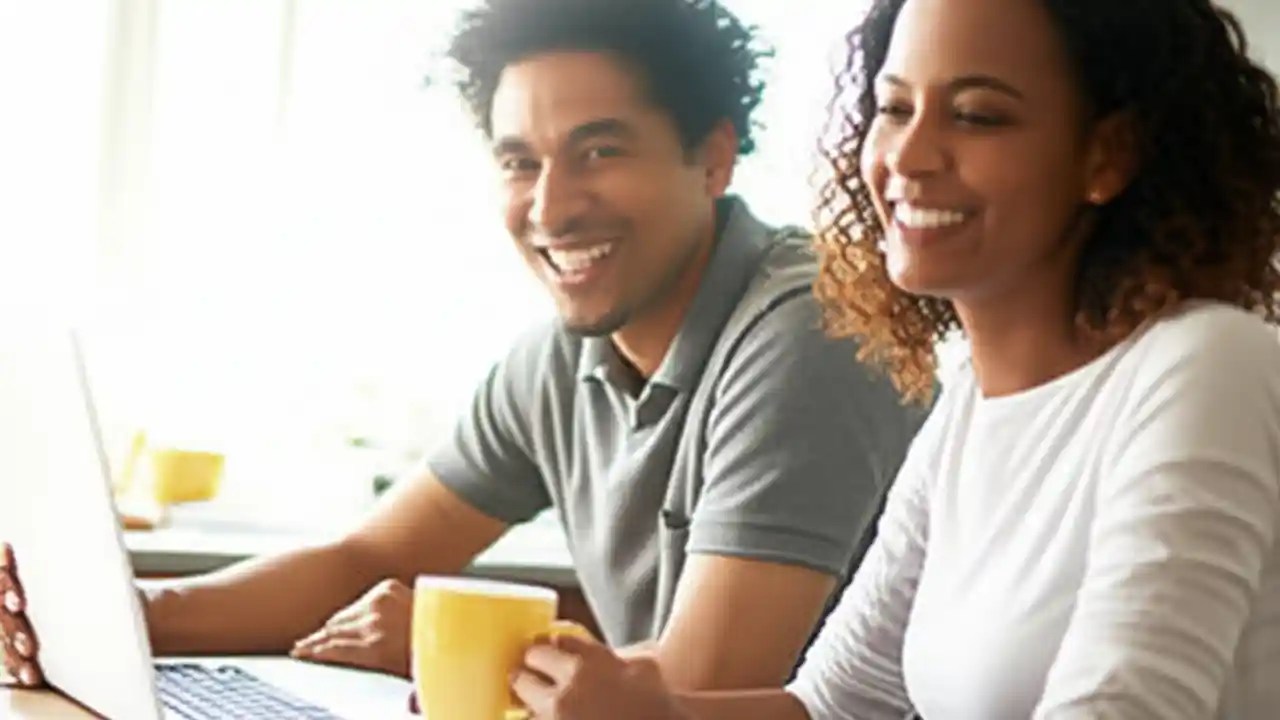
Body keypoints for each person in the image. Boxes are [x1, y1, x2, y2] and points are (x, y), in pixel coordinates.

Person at [0, 0, 919, 696]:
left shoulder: (810, 323)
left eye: (600, 152)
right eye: (521, 161)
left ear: (713, 158)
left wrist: (454, 648)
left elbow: (713, 677)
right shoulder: (560, 359)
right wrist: (116, 620)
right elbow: (363, 562)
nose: (552, 207)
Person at [498, 0, 1280, 718]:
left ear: (1108, 155)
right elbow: (837, 705)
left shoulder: (1207, 364)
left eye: (976, 116)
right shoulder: (972, 397)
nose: (908, 155)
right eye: (895, 108)